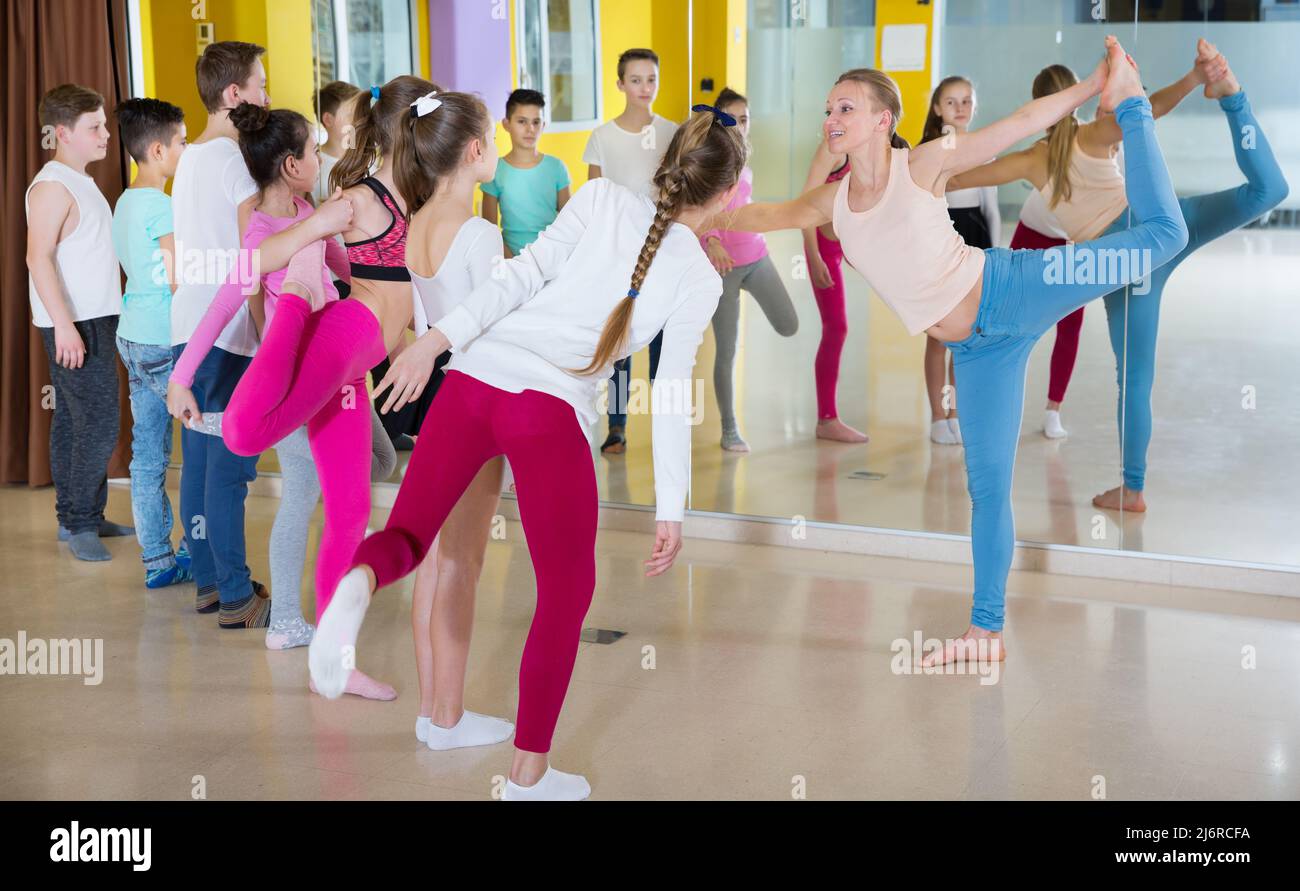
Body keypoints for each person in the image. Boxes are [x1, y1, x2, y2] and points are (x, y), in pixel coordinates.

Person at [308, 107, 747, 800]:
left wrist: (435, 341)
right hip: (544, 409)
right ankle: (526, 776)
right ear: (727, 193)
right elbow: (667, 396)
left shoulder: (601, 198)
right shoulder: (699, 276)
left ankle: (357, 585)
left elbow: (517, 279)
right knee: (566, 594)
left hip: (474, 377)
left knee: (410, 536)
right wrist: (671, 508)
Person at [716, 37, 1189, 665]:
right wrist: (695, 215)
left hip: (1012, 289)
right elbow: (763, 215)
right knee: (987, 486)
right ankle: (985, 635)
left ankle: (1134, 107)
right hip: (976, 353)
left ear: (884, 120)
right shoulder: (830, 203)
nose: (831, 120)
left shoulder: (924, 166)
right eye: (829, 110)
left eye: (846, 109)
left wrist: (1100, 84)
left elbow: (1019, 126)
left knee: (1164, 233)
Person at [950, 41, 1287, 508]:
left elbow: (961, 179)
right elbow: (1151, 110)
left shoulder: (1033, 159)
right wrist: (1196, 78)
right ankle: (1231, 96)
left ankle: (1133, 489)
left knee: (1134, 379)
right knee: (1267, 191)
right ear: (1076, 97)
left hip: (1122, 264)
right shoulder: (1095, 133)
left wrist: (912, 171)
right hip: (1162, 225)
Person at [169, 41, 270, 624]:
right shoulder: (232, 162)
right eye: (260, 84)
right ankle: (235, 593)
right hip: (227, 332)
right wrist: (267, 335)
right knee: (228, 471)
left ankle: (210, 580)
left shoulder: (192, 159)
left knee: (202, 462)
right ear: (234, 95)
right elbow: (251, 262)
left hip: (192, 328)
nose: (266, 95)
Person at [26, 83, 133, 562]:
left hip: (93, 319)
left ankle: (78, 517)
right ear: (63, 133)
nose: (106, 134)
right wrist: (65, 326)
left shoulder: (79, 181)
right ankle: (80, 522)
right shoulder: (52, 185)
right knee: (97, 422)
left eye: (104, 125)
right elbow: (37, 258)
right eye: (95, 127)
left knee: (74, 419)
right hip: (76, 324)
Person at [111, 97, 192, 584]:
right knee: (206, 438)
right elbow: (177, 278)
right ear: (159, 150)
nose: (187, 149)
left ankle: (158, 561)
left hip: (132, 336)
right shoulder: (162, 206)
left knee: (147, 454)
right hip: (164, 338)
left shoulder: (125, 200)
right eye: (182, 142)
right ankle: (195, 546)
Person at [583, 47, 679, 455]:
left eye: (651, 79)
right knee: (620, 344)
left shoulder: (673, 132)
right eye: (636, 79)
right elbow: (594, 200)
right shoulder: (602, 138)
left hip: (663, 251)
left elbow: (681, 193)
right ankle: (617, 426)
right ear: (620, 84)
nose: (645, 87)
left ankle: (665, 425)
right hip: (618, 257)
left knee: (662, 340)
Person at [698, 87, 797, 452]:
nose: (739, 126)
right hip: (722, 268)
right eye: (731, 120)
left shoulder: (747, 163)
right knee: (726, 352)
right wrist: (712, 240)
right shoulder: (709, 165)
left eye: (744, 119)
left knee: (789, 325)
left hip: (756, 257)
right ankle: (729, 430)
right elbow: (698, 213)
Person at [917, 76, 1000, 447]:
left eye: (967, 101)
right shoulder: (928, 152)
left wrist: (995, 258)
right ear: (937, 108)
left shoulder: (983, 149)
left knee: (966, 334)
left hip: (976, 243)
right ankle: (938, 415)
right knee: (939, 338)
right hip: (941, 246)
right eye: (951, 102)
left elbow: (991, 210)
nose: (960, 108)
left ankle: (956, 413)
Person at [480, 88, 571, 259]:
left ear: (543, 125)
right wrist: (514, 263)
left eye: (536, 122)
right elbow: (490, 229)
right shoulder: (494, 170)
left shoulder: (557, 167)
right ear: (506, 124)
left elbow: (569, 223)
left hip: (553, 256)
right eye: (522, 121)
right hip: (511, 260)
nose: (530, 129)